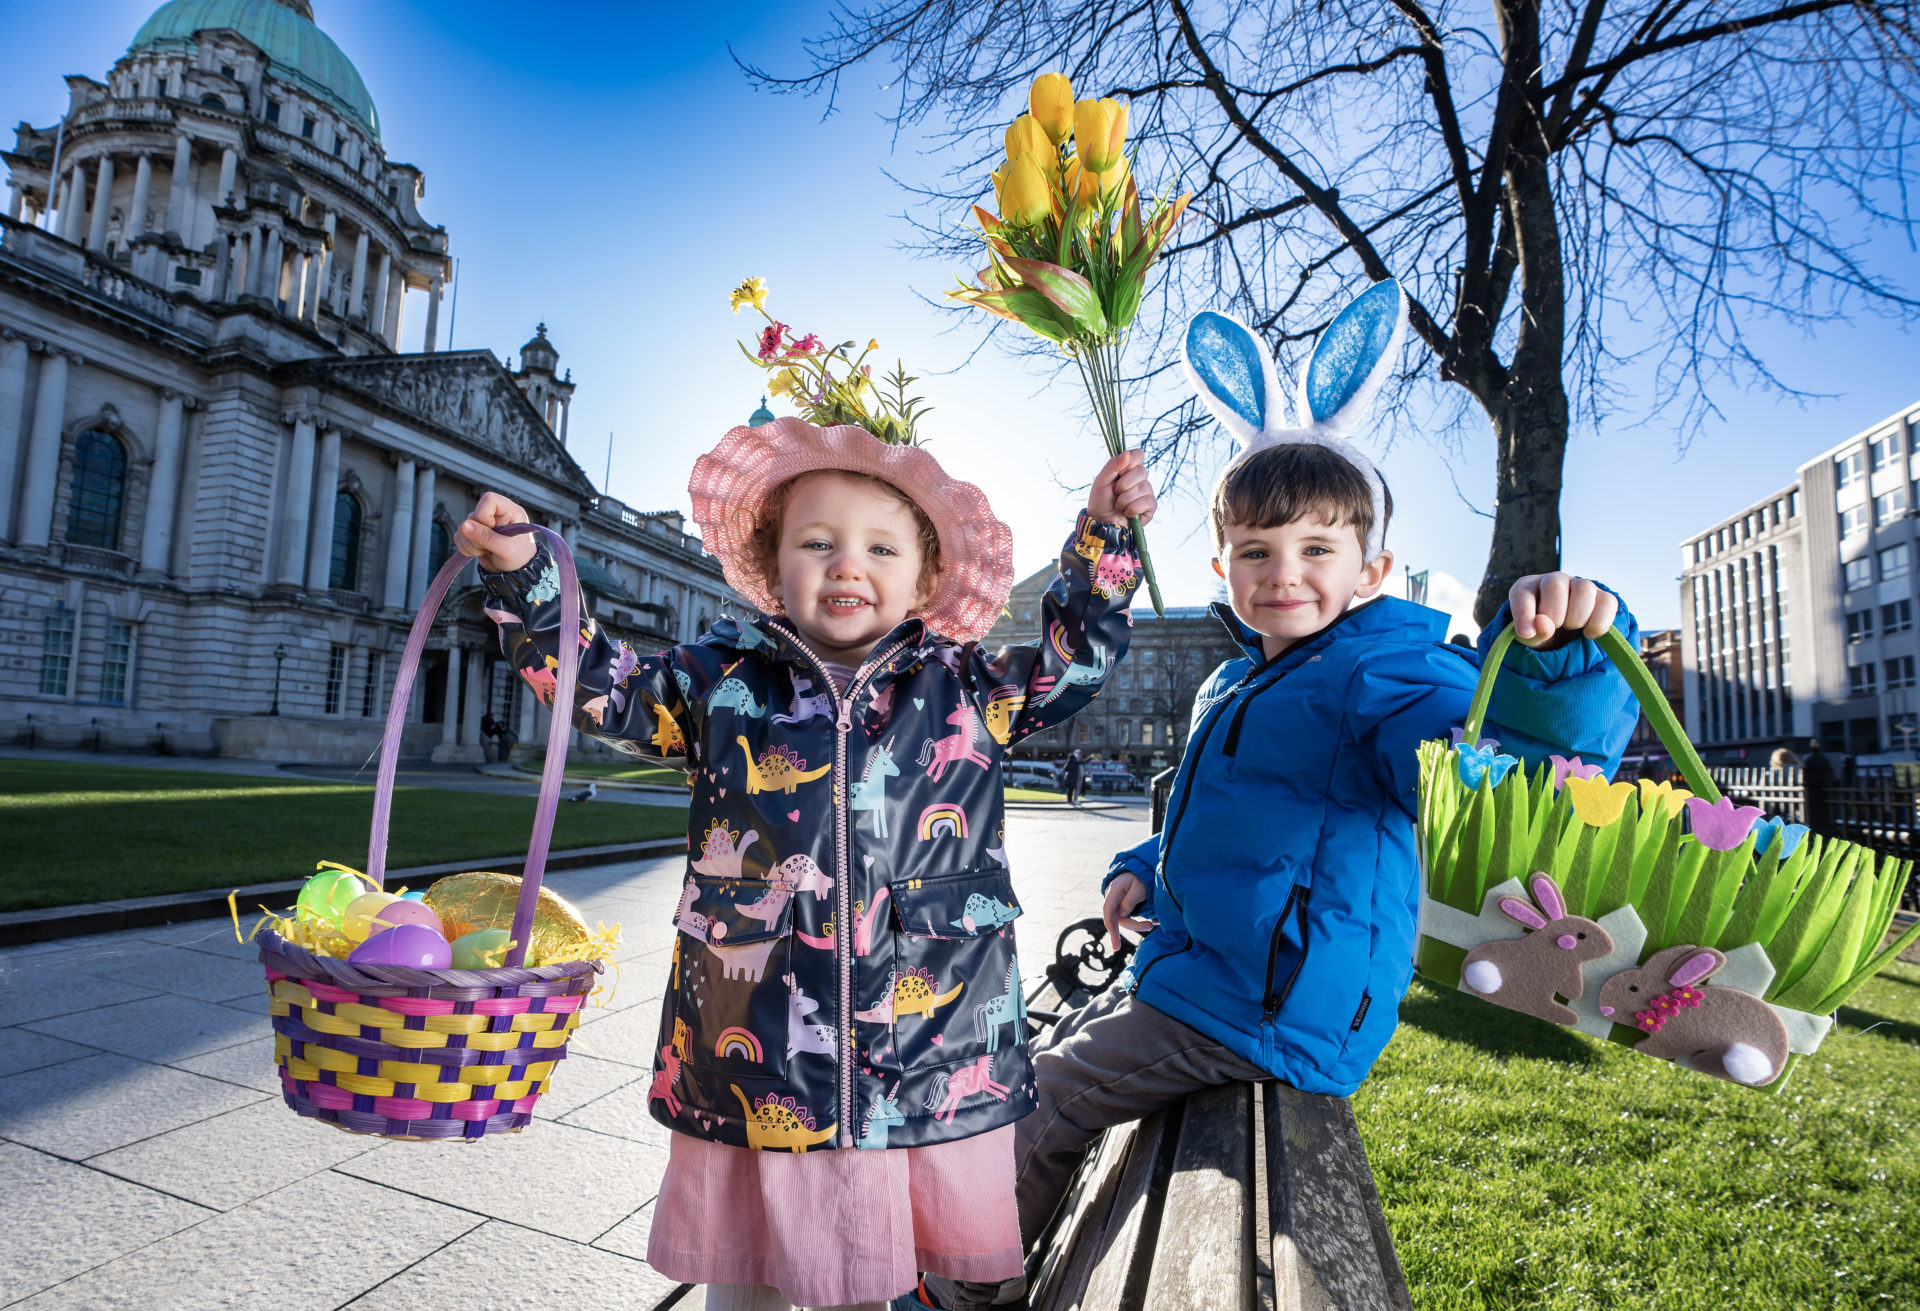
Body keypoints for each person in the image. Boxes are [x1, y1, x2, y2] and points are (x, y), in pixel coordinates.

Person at [916, 289, 1641, 1311]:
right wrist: (1140, 868)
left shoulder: (1386, 673)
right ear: (1222, 565)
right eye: (1256, 552)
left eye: (1315, 552)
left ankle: (954, 1297)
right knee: (1034, 1072)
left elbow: (1492, 768)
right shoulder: (1240, 678)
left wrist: (1560, 665)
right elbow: (1221, 820)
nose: (1283, 575)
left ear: (1373, 568)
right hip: (1226, 983)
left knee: (1035, 1104)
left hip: (1264, 1013)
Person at [458, 409, 1155, 1311]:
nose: (847, 565)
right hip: (759, 1053)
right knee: (746, 1265)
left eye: (880, 547)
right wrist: (525, 580)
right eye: (817, 541)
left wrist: (1104, 536)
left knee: (870, 1271)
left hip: (920, 1048)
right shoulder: (720, 680)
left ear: (927, 575)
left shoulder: (969, 685)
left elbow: (1075, 657)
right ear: (772, 562)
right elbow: (605, 691)